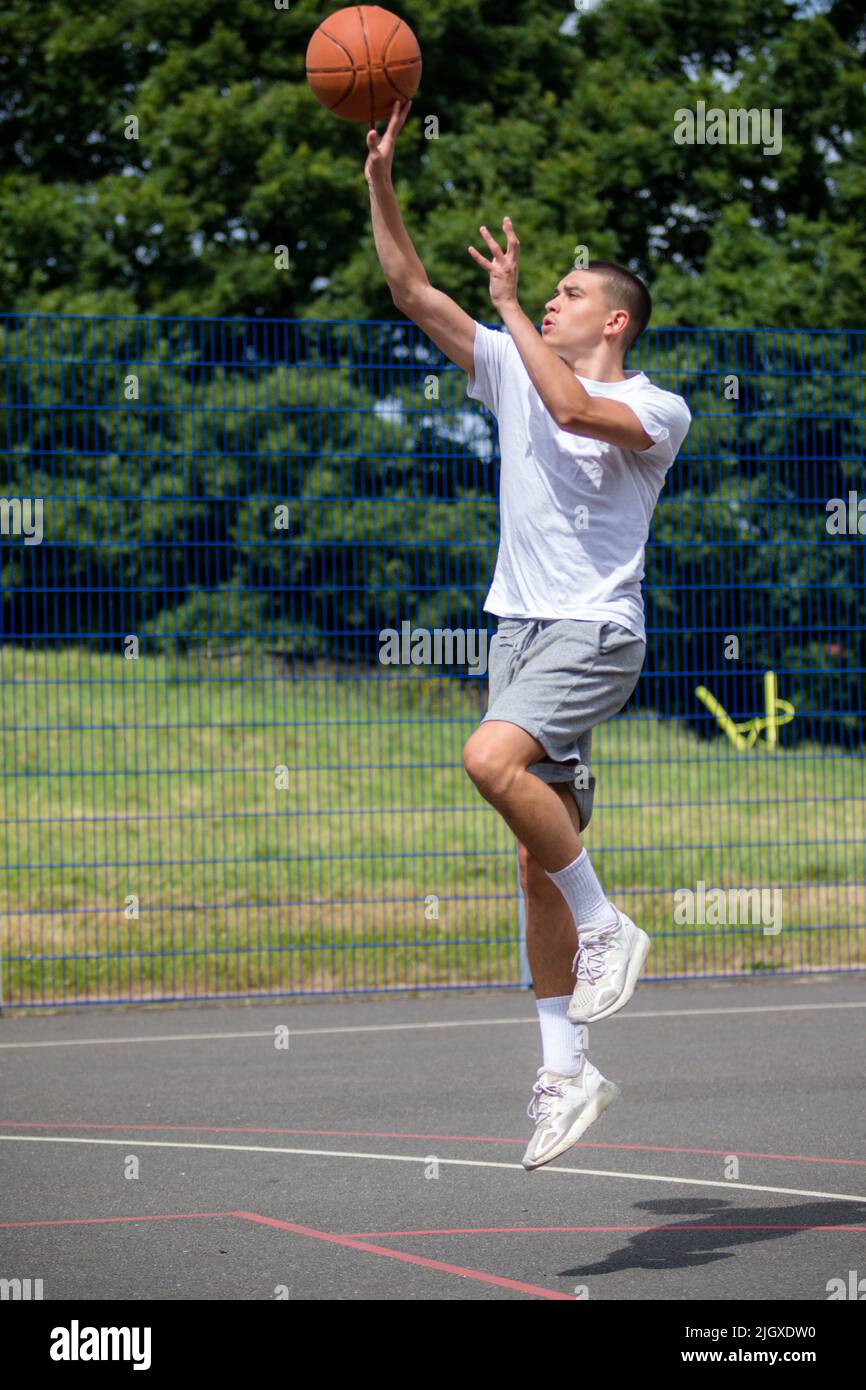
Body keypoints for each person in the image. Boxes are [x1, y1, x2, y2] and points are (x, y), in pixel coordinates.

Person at [365, 99, 692, 1170]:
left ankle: (610, 927)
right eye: (540, 291)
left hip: (593, 630)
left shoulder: (655, 406)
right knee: (528, 859)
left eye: (567, 294)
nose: (546, 300)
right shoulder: (509, 364)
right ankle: (564, 1066)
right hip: (515, 630)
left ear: (614, 322)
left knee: (484, 758)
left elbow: (568, 412)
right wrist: (380, 179)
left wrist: (507, 308)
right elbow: (410, 290)